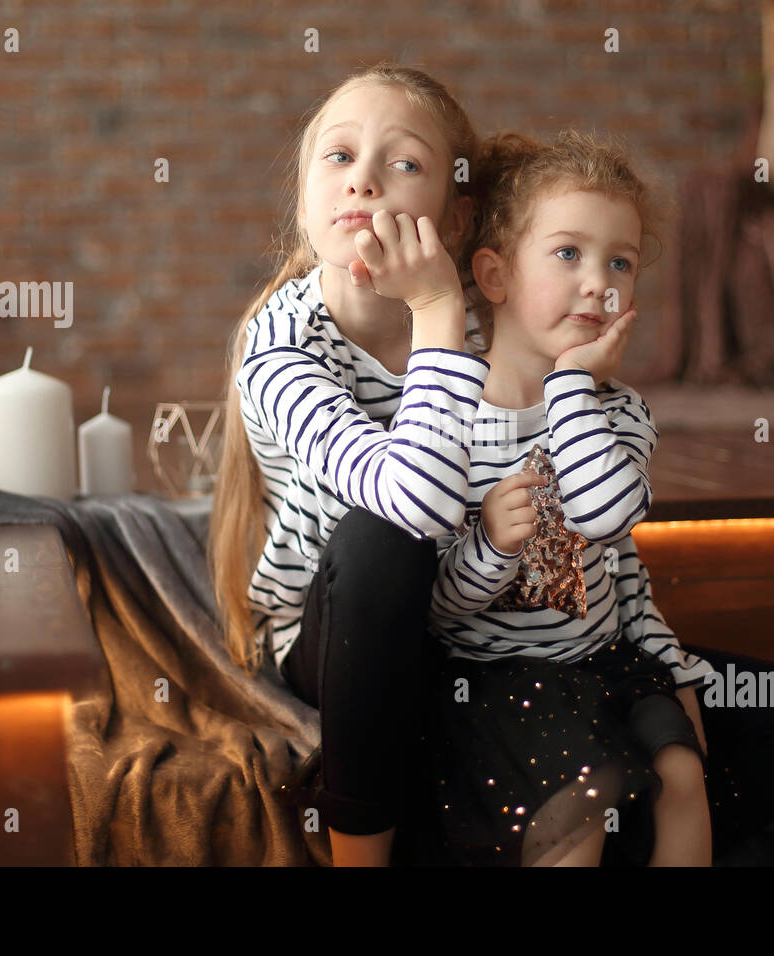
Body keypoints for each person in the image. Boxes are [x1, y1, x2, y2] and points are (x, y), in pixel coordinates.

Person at [424, 129, 774, 866]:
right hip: (495, 683)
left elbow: (611, 537)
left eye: (619, 262)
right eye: (569, 254)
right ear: (494, 275)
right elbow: (435, 608)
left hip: (605, 660)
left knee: (695, 764)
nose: (600, 281)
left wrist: (672, 666)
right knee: (583, 802)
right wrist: (491, 545)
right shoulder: (445, 415)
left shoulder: (618, 412)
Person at [208, 62, 486, 867]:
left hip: (473, 613)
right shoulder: (281, 353)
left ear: (455, 221)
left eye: (403, 164)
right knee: (382, 538)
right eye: (338, 157)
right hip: (335, 637)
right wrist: (436, 309)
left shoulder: (486, 319)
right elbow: (416, 506)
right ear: (305, 201)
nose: (363, 180)